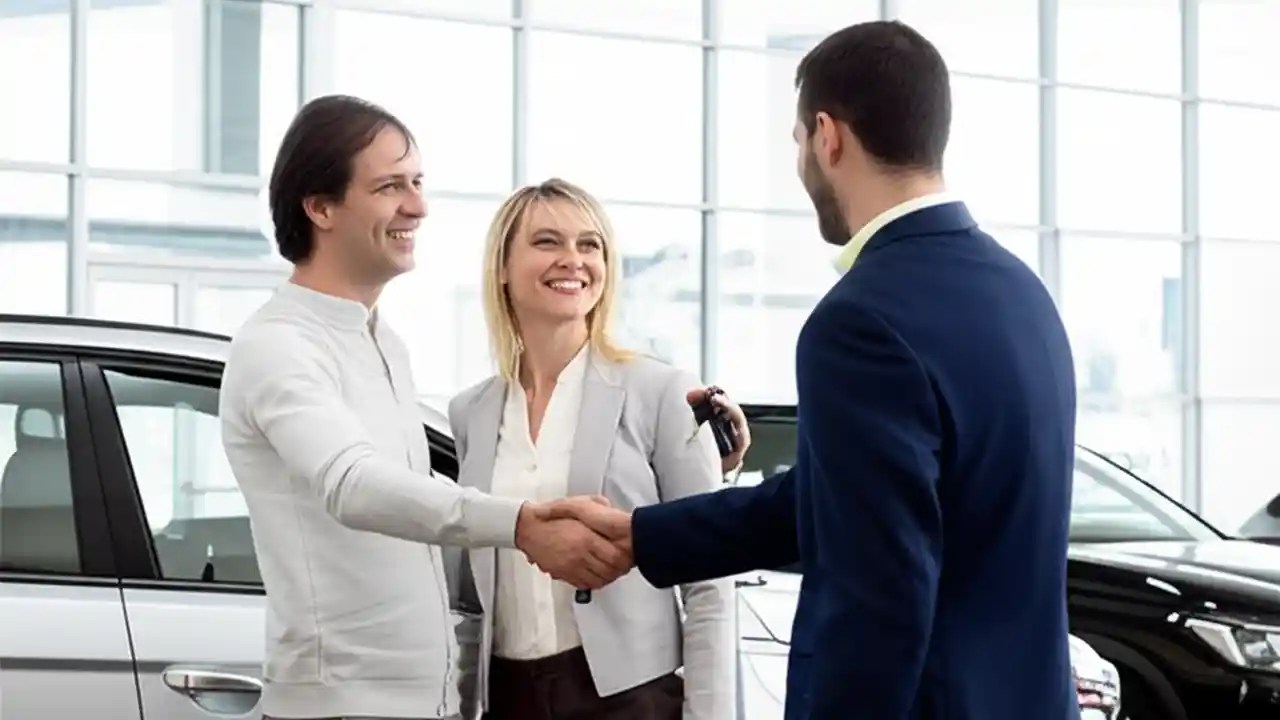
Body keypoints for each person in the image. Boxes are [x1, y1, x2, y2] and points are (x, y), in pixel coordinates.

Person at [547, 20, 1080, 720]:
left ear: (828, 136)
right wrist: (648, 535)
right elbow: (856, 499)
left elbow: (877, 600)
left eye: (798, 141)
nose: (802, 159)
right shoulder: (1021, 292)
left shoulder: (860, 320)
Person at [218, 95, 633, 720]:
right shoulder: (278, 344)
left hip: (424, 703)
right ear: (320, 207)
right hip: (341, 705)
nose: (418, 205)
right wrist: (522, 525)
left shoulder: (383, 341)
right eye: (390, 186)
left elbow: (428, 508)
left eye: (417, 182)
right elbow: (353, 485)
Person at [446, 177, 742, 720]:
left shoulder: (660, 392)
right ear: (503, 267)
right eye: (547, 242)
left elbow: (709, 583)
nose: (573, 260)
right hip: (507, 696)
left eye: (590, 245)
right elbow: (467, 595)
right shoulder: (471, 412)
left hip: (630, 699)